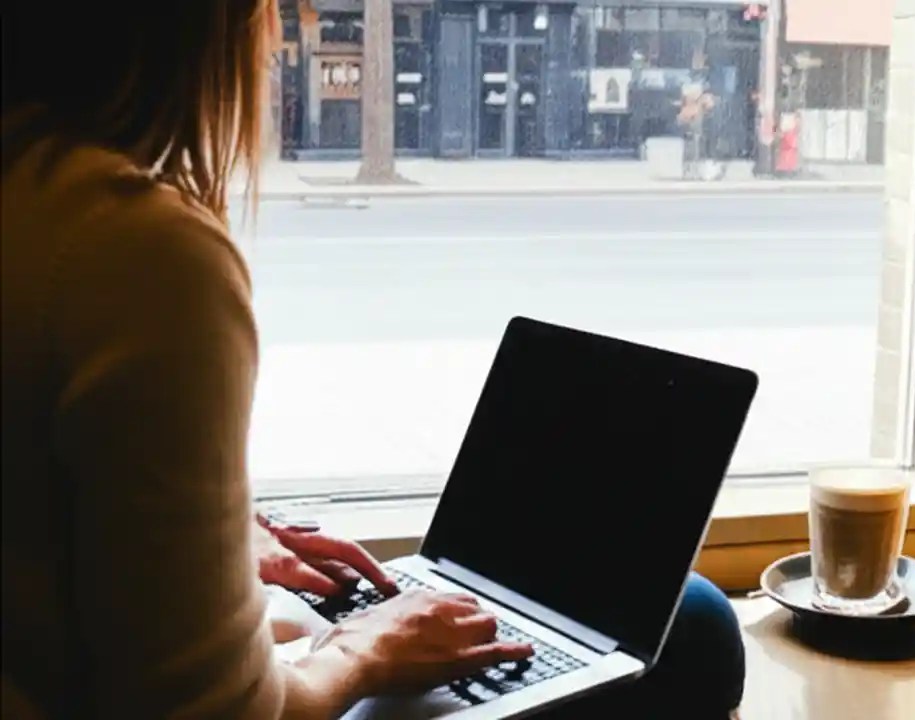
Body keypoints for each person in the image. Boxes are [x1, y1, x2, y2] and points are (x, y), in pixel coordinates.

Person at [0, 3, 745, 719]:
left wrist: (217, 537)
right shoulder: (137, 252)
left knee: (683, 614)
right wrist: (358, 650)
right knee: (699, 632)